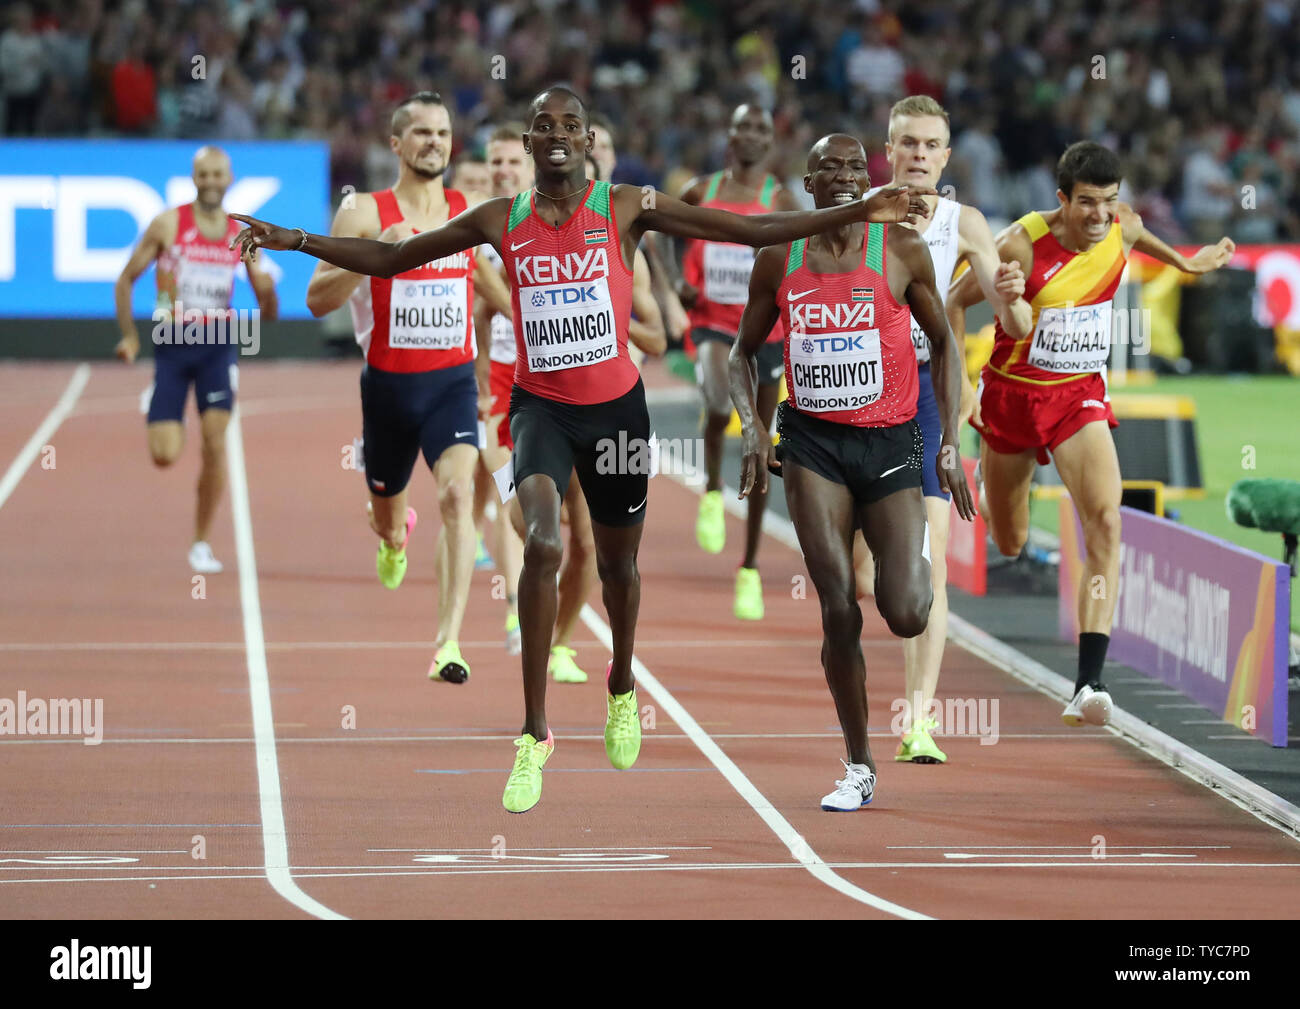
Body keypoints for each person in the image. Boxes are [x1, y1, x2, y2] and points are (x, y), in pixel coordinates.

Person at [231, 85, 931, 814]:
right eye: (544, 125)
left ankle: (621, 682)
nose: (557, 134)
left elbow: (748, 231)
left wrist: (857, 209)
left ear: (590, 139)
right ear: (530, 143)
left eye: (571, 124)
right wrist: (296, 239)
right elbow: (395, 254)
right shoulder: (502, 219)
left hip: (619, 416)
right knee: (541, 542)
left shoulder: (627, 205)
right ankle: (534, 734)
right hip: (542, 412)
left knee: (619, 567)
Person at [947, 141, 1234, 727]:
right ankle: (1006, 489)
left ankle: (1089, 683)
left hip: (1079, 395)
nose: (1099, 216)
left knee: (1106, 519)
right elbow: (953, 301)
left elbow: (1137, 235)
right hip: (1012, 397)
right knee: (1008, 539)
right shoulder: (1021, 245)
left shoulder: (1121, 224)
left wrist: (1188, 263)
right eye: (1086, 204)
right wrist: (964, 390)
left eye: (1108, 201)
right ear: (1061, 200)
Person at [731, 133, 975, 811]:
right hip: (812, 446)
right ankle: (859, 763)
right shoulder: (780, 254)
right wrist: (754, 428)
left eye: (852, 168)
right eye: (827, 168)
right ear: (808, 183)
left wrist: (948, 440)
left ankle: (912, 556)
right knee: (839, 604)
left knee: (905, 611)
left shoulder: (898, 249)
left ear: (865, 181)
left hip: (893, 442)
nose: (841, 177)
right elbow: (739, 354)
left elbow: (946, 346)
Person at [303, 91, 511, 684]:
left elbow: (486, 278)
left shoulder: (468, 208)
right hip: (388, 393)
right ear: (396, 144)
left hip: (450, 385)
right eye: (421, 133)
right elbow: (318, 301)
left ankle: (449, 641)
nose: (434, 143)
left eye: (443, 133)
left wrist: (529, 319)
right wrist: (379, 255)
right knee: (389, 518)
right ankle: (395, 538)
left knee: (456, 497)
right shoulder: (364, 212)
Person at [854, 95, 1030, 764]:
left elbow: (1014, 326)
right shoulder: (862, 210)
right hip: (857, 400)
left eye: (931, 146)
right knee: (863, 574)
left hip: (928, 402)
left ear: (947, 157)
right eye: (909, 144)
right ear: (889, 148)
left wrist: (1011, 295)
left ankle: (918, 719)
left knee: (928, 562)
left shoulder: (967, 222)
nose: (920, 155)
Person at [114, 145, 279, 573]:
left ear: (229, 179)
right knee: (165, 455)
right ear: (193, 178)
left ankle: (201, 542)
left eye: (217, 175)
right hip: (171, 346)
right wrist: (130, 337)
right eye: (202, 175)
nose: (210, 182)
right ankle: (163, 399)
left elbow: (269, 312)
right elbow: (126, 279)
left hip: (218, 346)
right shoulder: (168, 224)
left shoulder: (240, 234)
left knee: (214, 442)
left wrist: (264, 287)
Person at [677, 104, 802, 621]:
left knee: (763, 446)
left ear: (771, 142)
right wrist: (673, 285)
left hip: (764, 332)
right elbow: (657, 228)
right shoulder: (700, 191)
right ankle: (710, 488)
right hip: (710, 320)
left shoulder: (782, 199)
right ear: (729, 135)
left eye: (761, 129)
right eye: (743, 126)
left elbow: (802, 256)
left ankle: (748, 567)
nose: (750, 135)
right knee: (714, 400)